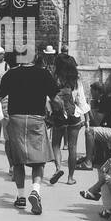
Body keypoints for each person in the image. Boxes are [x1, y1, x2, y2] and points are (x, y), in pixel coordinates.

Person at [0, 46, 59, 214]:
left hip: (16, 119)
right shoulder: (44, 74)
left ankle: (21, 196)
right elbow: (56, 98)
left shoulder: (11, 74)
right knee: (38, 160)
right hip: (36, 119)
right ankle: (36, 190)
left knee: (18, 160)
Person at [47, 53, 88, 186]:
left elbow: (48, 99)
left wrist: (50, 112)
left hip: (59, 116)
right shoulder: (76, 79)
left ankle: (58, 169)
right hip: (74, 115)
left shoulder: (54, 78)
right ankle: (70, 178)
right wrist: (87, 118)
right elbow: (81, 100)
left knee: (56, 144)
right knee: (73, 147)